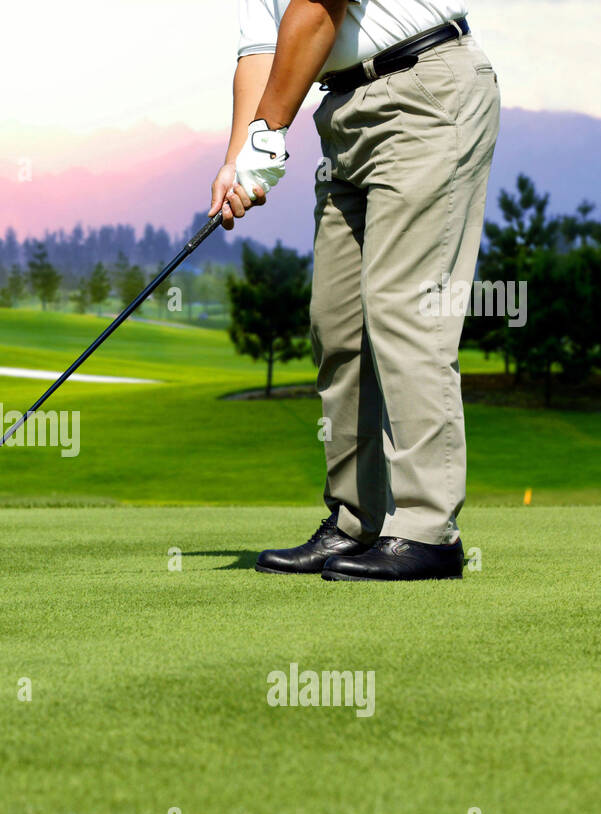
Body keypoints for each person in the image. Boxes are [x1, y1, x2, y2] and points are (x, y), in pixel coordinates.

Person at [209, 0, 500, 581]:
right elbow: (261, 51)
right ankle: (354, 521)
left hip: (424, 89)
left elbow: (320, 9)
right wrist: (239, 157)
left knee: (404, 310)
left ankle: (426, 530)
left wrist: (270, 133)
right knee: (337, 322)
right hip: (343, 114)